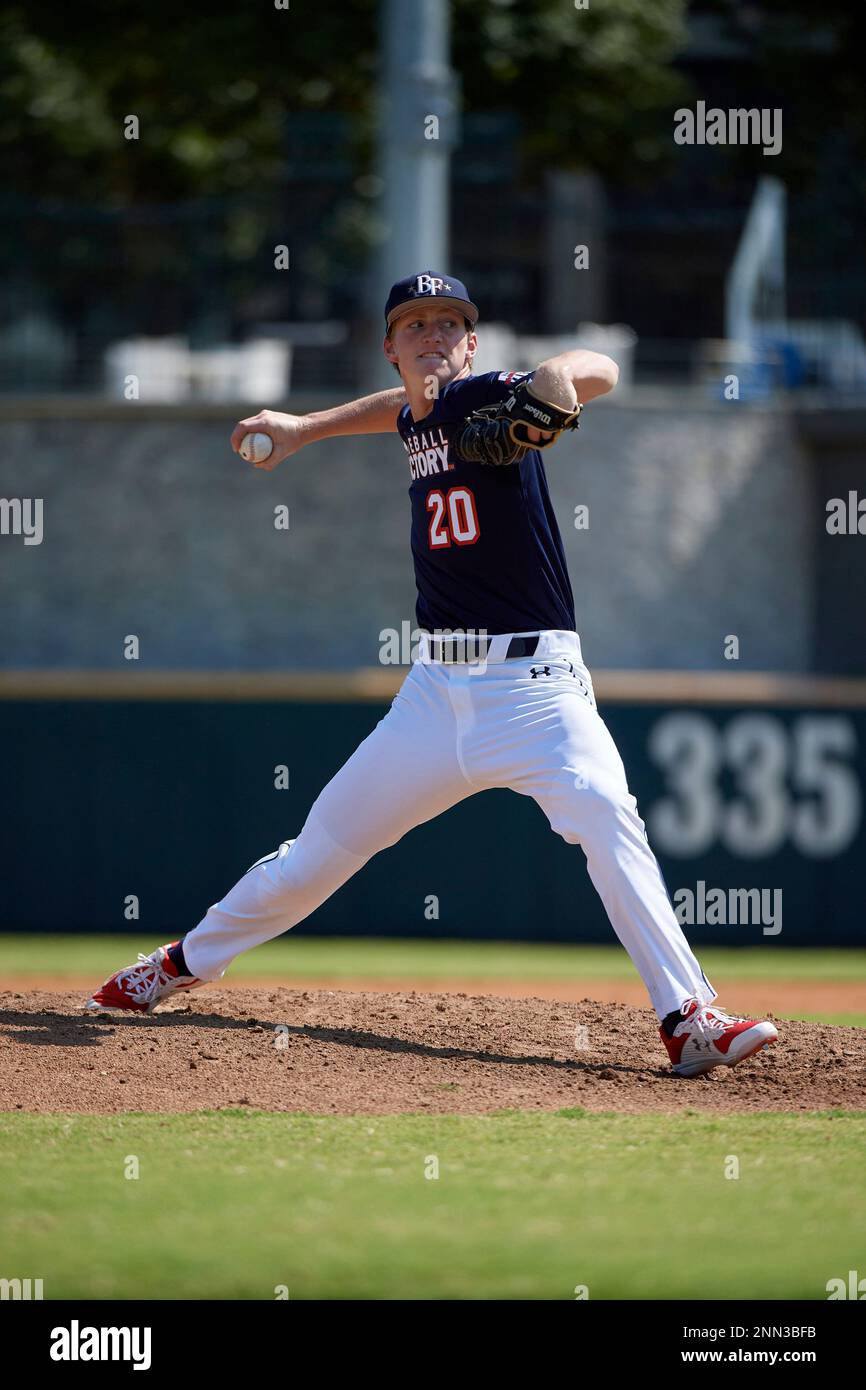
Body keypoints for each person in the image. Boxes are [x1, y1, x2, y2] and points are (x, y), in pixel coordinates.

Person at [87, 271, 778, 1078]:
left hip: (536, 691)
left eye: (450, 323)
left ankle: (689, 1018)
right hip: (431, 698)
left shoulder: (488, 396)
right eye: (415, 324)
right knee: (318, 852)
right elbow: (402, 413)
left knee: (604, 816)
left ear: (472, 342)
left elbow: (601, 370)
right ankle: (181, 964)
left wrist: (549, 388)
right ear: (391, 347)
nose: (434, 335)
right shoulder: (424, 412)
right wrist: (304, 428)